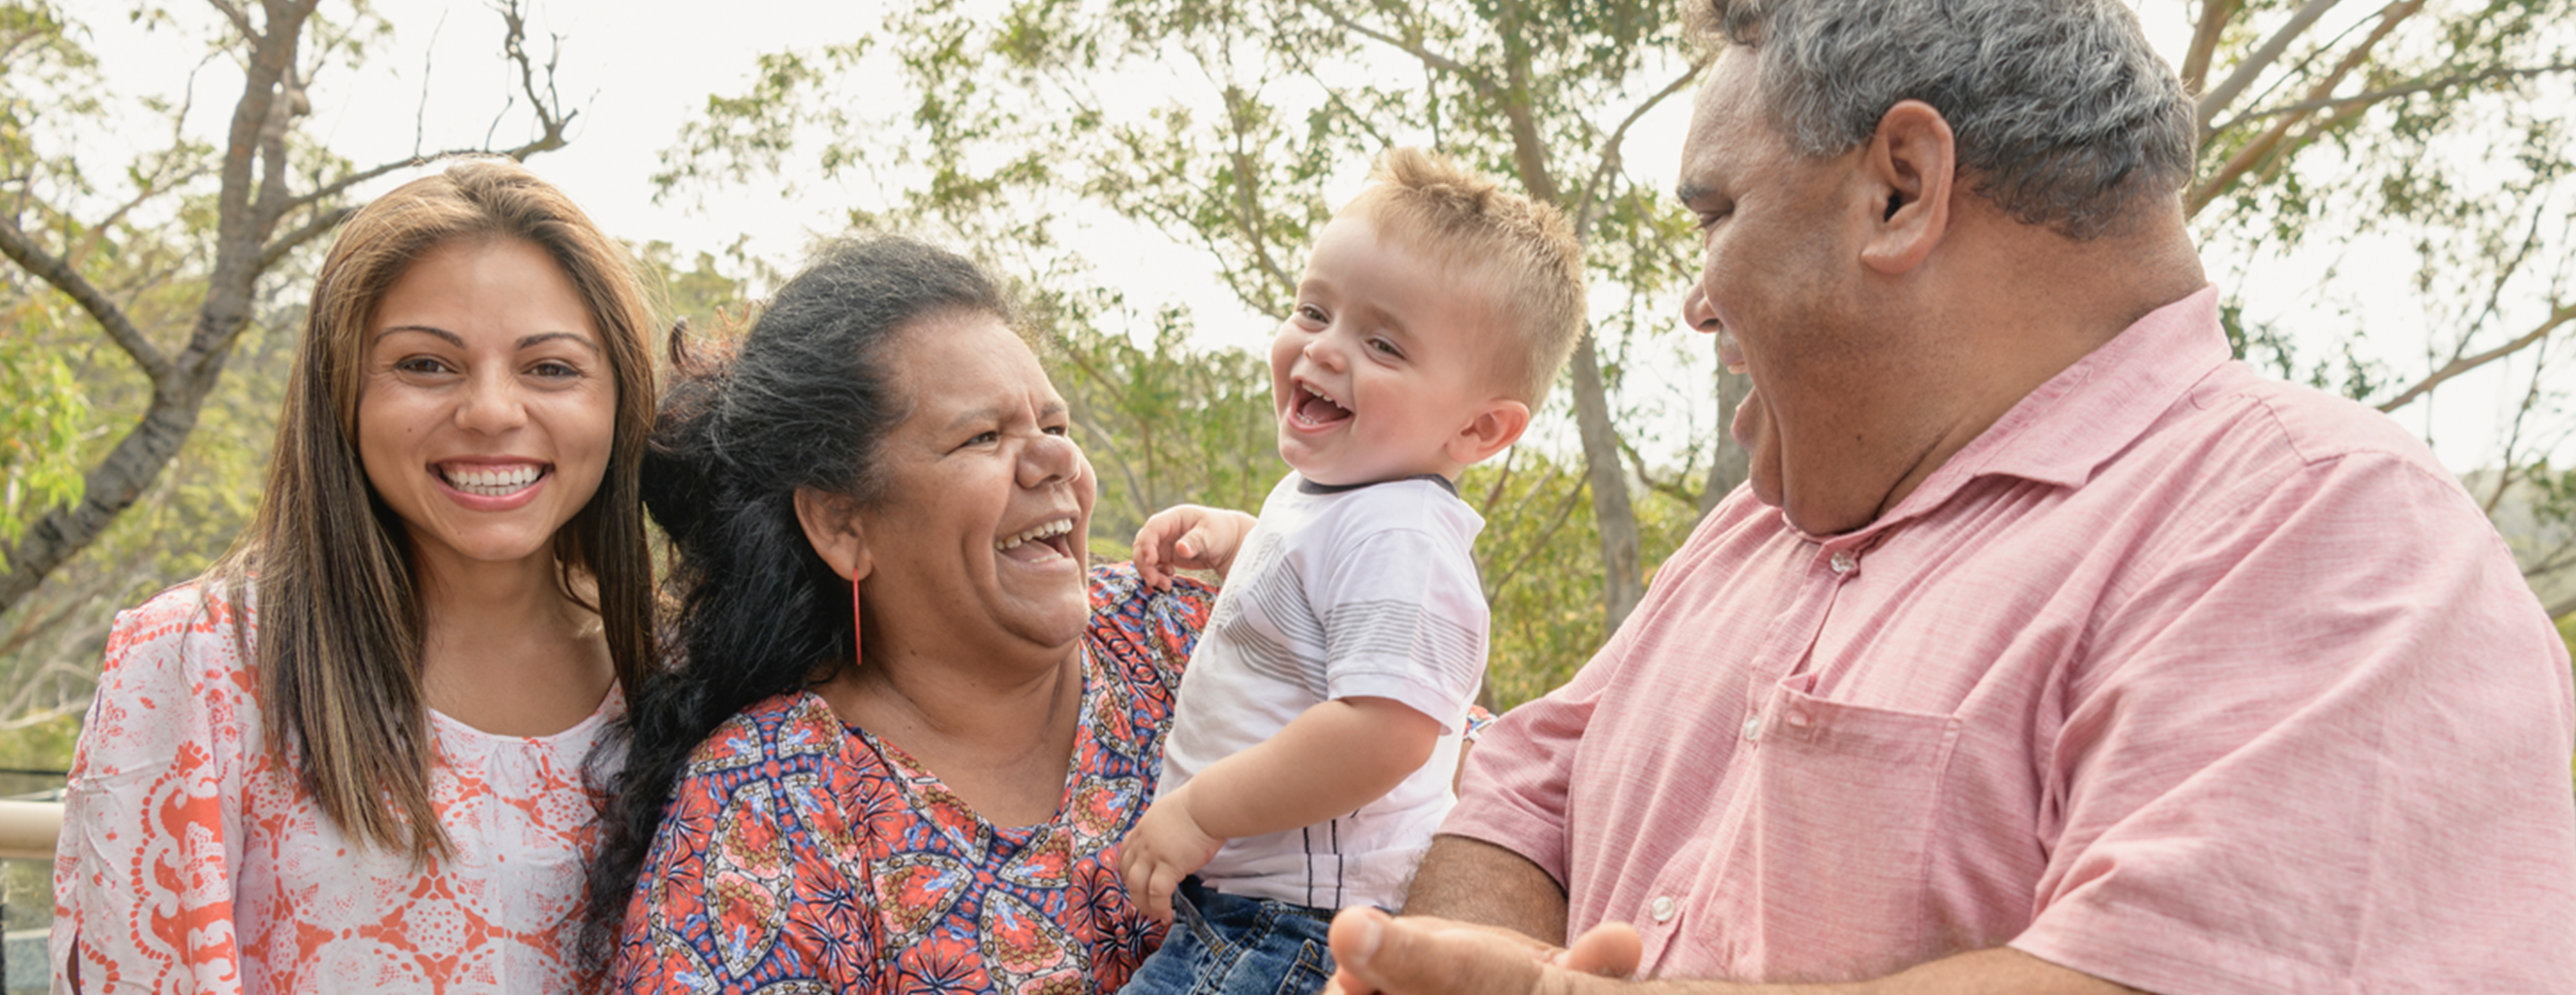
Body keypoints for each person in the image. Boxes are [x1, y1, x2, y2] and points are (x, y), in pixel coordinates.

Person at [1323, 2, 2576, 993]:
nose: (1699, 298)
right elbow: (1523, 798)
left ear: (1903, 188)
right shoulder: (1755, 530)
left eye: (1719, 213)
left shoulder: (2324, 530)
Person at [51, 158, 660, 994]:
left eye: (550, 368)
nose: (490, 410)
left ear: (620, 398)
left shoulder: (682, 675)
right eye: (425, 365)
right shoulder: (200, 663)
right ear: (342, 392)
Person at [594, 235, 1214, 994]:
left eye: (1054, 426)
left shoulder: (1184, 638)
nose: (1055, 460)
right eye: (982, 436)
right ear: (842, 525)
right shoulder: (771, 806)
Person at [1116, 147, 1586, 995]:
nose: (1325, 349)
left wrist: (1199, 811)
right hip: (1251, 912)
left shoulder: (1403, 532)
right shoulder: (1348, 501)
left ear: (1480, 431)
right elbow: (1320, 607)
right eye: (1312, 309)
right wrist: (1240, 541)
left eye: (1382, 343)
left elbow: (1386, 730)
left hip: (1296, 929)